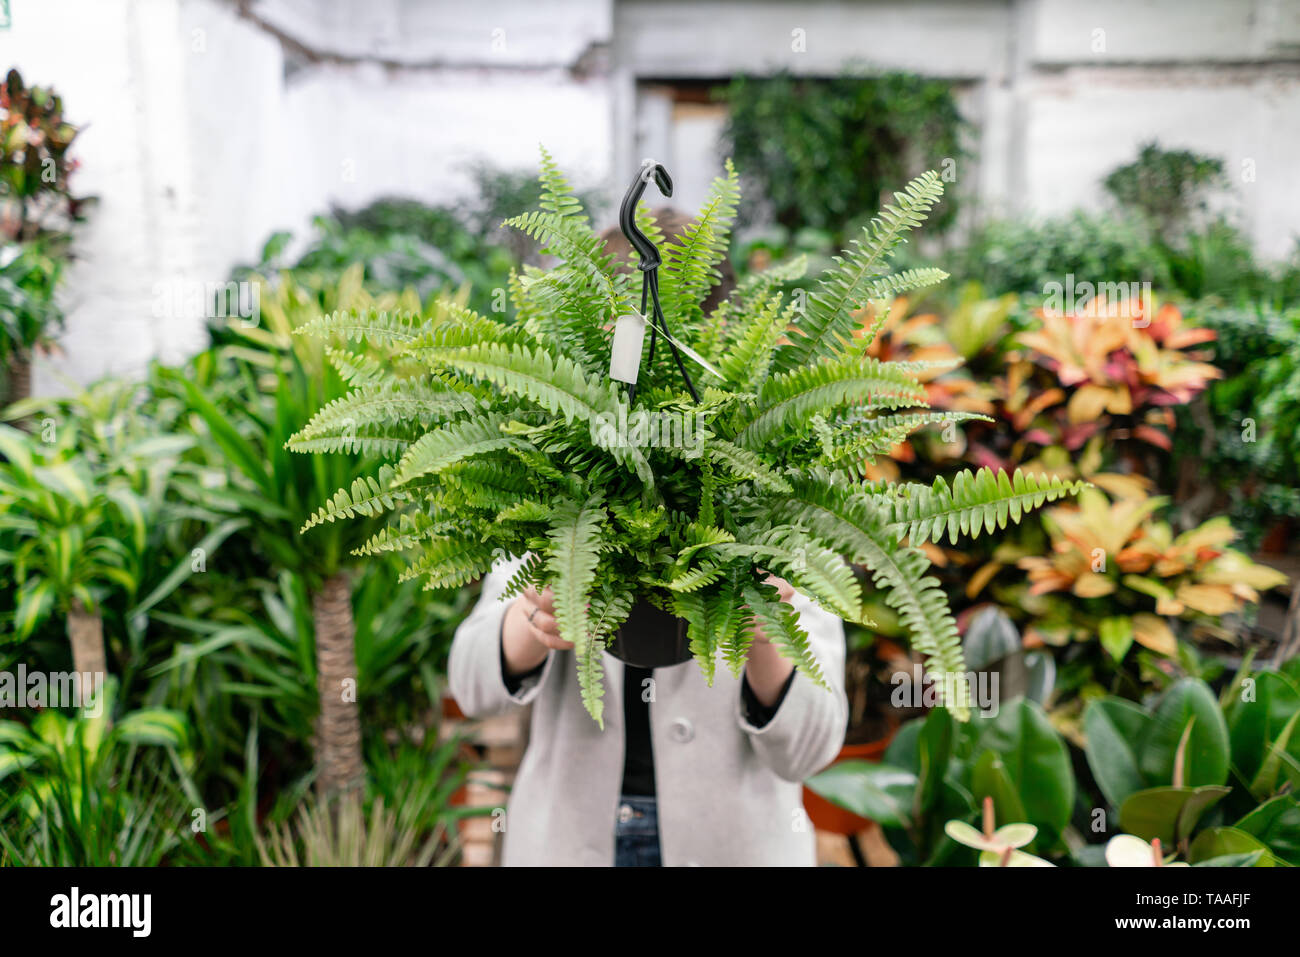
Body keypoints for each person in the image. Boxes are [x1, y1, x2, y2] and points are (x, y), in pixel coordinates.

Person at [448, 556, 847, 866]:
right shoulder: (553, 475)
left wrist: (767, 633)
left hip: (737, 839)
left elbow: (809, 749)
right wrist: (534, 615)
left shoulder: (782, 500)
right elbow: (473, 688)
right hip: (565, 834)